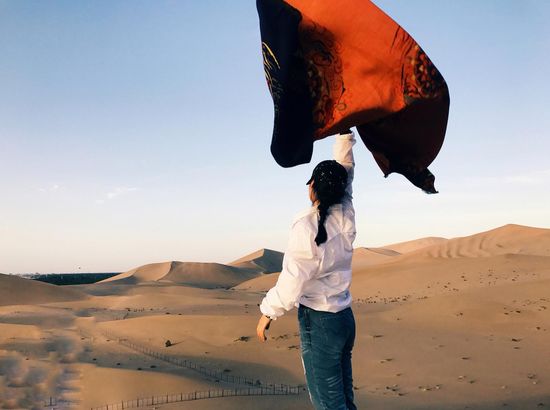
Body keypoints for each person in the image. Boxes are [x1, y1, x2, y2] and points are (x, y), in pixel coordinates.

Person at [256, 130, 357, 410]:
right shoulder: (346, 212)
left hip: (321, 321)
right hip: (344, 319)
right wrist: (344, 136)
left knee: (328, 403)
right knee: (344, 398)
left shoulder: (306, 227)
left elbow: (293, 279)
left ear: (312, 186)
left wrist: (267, 313)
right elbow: (346, 172)